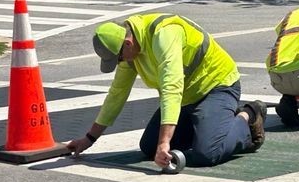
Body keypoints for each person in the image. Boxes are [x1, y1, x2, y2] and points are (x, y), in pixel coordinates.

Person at [68, 14, 266, 167]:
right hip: (186, 98)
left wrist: (164, 143)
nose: (120, 62)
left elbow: (172, 88)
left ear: (127, 43)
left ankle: (247, 115)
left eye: (118, 58)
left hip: (216, 87)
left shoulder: (164, 35)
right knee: (149, 147)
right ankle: (211, 125)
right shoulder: (129, 52)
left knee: (207, 153)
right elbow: (117, 94)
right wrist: (89, 138)